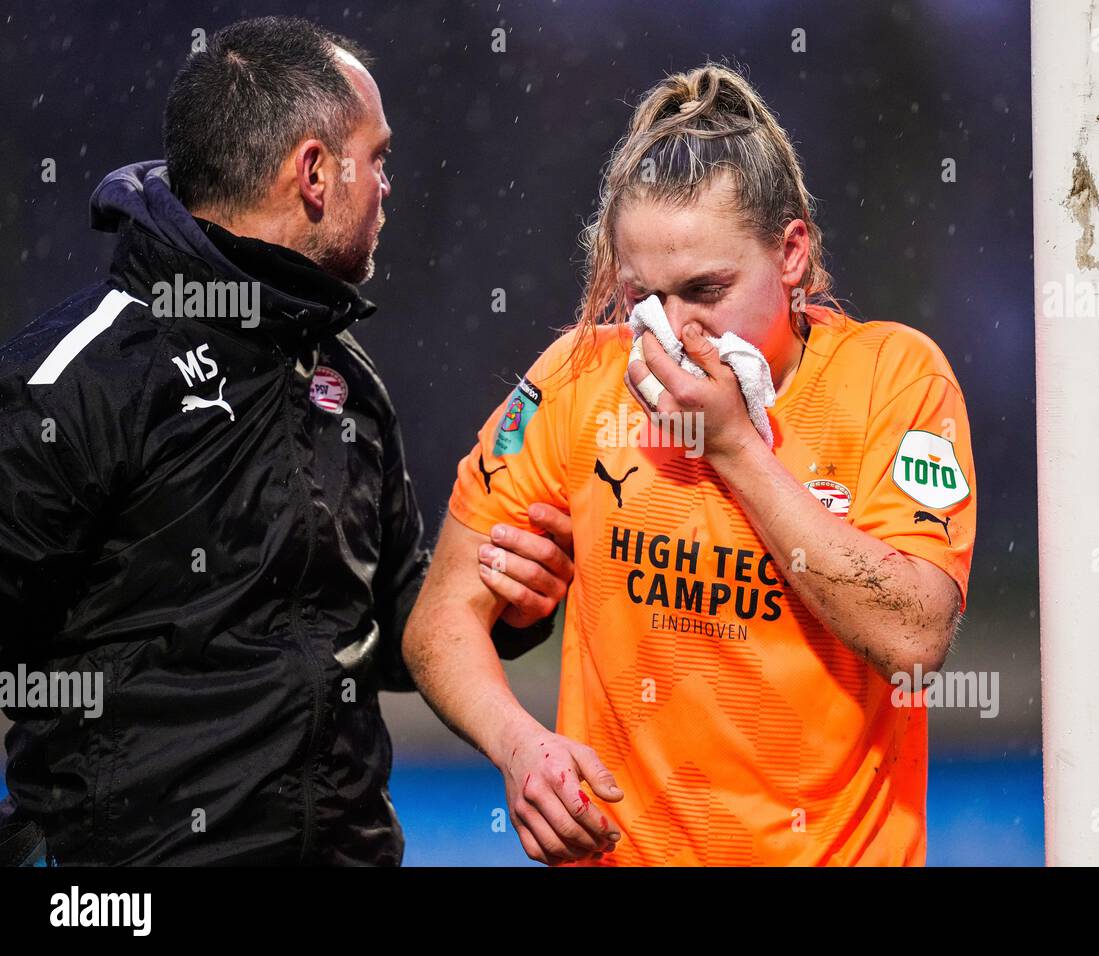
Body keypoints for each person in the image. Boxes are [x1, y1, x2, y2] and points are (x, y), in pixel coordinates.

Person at [0, 15, 562, 867]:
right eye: (376, 158)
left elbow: (395, 611)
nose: (387, 185)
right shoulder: (71, 380)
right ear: (312, 173)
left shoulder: (346, 380)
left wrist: (501, 602)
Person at [403, 63, 977, 866]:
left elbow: (916, 633)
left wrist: (736, 447)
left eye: (706, 289)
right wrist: (520, 749)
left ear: (792, 255)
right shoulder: (577, 379)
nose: (669, 332)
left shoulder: (893, 378)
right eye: (644, 294)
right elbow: (436, 624)